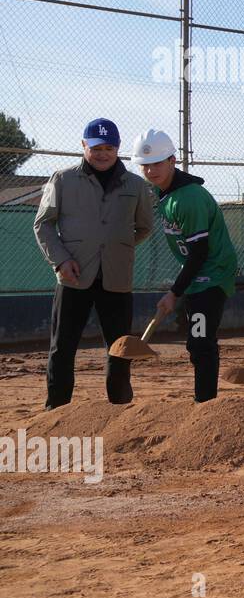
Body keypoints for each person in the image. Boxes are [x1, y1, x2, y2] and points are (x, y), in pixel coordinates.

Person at [33, 118, 154, 410]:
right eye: (96, 148)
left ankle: (119, 409)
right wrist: (61, 260)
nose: (103, 154)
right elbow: (43, 224)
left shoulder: (136, 185)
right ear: (84, 146)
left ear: (118, 148)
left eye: (109, 148)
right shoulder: (62, 180)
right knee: (62, 348)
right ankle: (56, 411)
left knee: (120, 349)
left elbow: (144, 227)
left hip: (116, 278)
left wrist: (118, 248)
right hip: (73, 277)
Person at [132, 128, 239, 403]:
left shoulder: (188, 198)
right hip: (196, 274)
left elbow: (199, 252)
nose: (151, 170)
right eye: (145, 165)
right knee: (196, 341)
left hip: (211, 275)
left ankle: (205, 405)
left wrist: (174, 292)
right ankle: (204, 401)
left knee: (201, 342)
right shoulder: (165, 194)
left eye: (157, 163)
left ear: (172, 160)